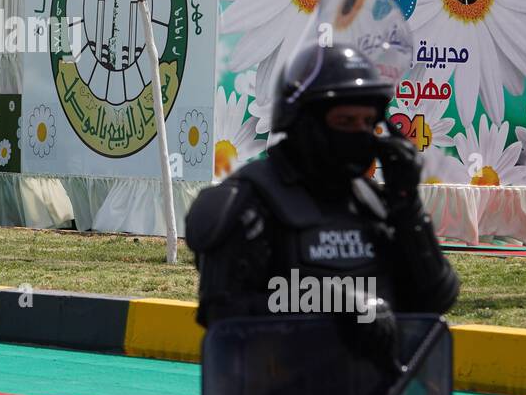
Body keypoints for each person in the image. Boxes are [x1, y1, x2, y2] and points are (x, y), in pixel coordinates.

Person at [186, 42, 460, 329]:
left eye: (368, 122)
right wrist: (336, 307)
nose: (360, 133)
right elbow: (224, 317)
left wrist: (407, 205)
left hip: (373, 373)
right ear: (305, 122)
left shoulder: (372, 203)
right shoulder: (249, 204)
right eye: (345, 121)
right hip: (283, 372)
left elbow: (436, 299)